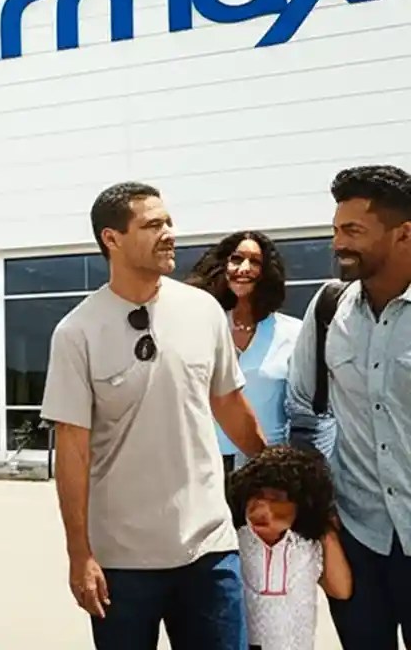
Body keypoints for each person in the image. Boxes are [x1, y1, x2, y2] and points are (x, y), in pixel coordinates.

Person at [41, 181, 268, 649]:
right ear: (112, 239)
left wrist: (279, 474)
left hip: (209, 551)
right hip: (121, 565)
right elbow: (73, 449)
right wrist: (78, 553)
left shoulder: (204, 310)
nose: (169, 233)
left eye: (168, 222)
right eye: (152, 225)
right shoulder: (77, 332)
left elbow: (229, 404)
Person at [285, 164, 411, 649]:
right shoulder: (329, 306)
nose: (339, 243)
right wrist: (325, 514)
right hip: (358, 537)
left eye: (353, 230)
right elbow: (304, 410)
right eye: (336, 229)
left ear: (404, 233)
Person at [186, 231, 302, 472]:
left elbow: (306, 413)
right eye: (237, 259)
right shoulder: (200, 327)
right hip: (206, 466)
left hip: (269, 466)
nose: (244, 268)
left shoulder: (293, 333)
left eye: (255, 262)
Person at [227, 445, 353, 649]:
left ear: (302, 503)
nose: (261, 506)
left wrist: (327, 532)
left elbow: (341, 590)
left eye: (275, 498)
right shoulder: (233, 541)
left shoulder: (308, 547)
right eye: (255, 495)